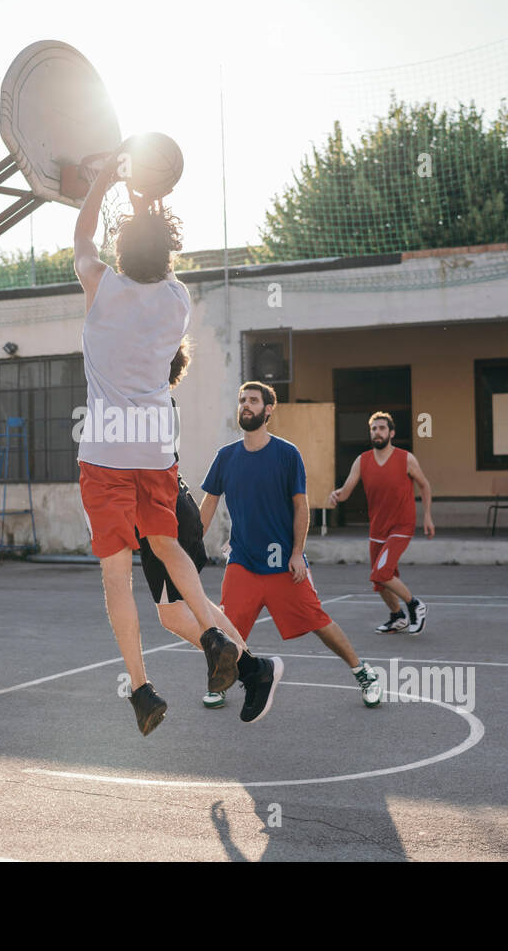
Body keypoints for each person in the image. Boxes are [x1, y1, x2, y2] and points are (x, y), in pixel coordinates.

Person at [73, 148, 272, 736]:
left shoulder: (100, 286)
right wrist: (146, 201)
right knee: (167, 547)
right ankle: (214, 637)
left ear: (119, 253)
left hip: (108, 448)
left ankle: (141, 689)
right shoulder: (178, 301)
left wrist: (103, 182)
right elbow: (152, 255)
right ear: (167, 254)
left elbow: (81, 237)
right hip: (155, 448)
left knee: (117, 576)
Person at [199, 382, 383, 716]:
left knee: (318, 622)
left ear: (269, 410)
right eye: (242, 400)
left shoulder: (286, 454)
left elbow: (301, 507)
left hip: (283, 563)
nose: (246, 406)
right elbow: (210, 502)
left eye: (253, 401)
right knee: (226, 629)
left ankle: (363, 672)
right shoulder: (226, 457)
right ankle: (220, 682)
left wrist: (298, 552)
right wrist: (192, 543)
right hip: (242, 560)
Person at [136, 341, 268, 711]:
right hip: (176, 507)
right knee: (197, 605)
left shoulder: (147, 401)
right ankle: (254, 670)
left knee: (174, 614)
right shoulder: (157, 399)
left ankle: (251, 669)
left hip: (163, 515)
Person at [327, 411, 434, 635]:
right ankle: (397, 617)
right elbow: (346, 491)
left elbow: (424, 485)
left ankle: (415, 605)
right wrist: (335, 495)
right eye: (374, 429)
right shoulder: (362, 460)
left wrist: (427, 516)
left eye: (382, 428)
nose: (377, 432)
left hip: (401, 526)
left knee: (381, 573)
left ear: (391, 432)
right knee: (380, 581)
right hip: (377, 528)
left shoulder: (406, 458)